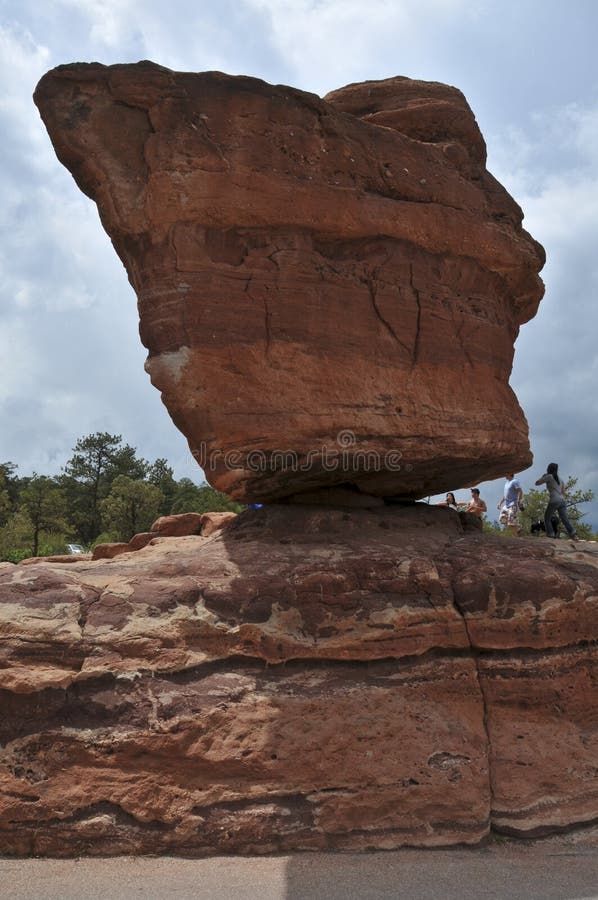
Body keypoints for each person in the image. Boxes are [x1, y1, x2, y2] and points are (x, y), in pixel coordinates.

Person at [535, 463, 577, 540]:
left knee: (547, 518)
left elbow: (537, 483)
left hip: (555, 500)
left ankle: (551, 534)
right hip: (563, 500)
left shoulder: (549, 476)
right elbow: (564, 492)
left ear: (549, 469)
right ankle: (573, 534)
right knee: (565, 519)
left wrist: (543, 477)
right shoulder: (561, 480)